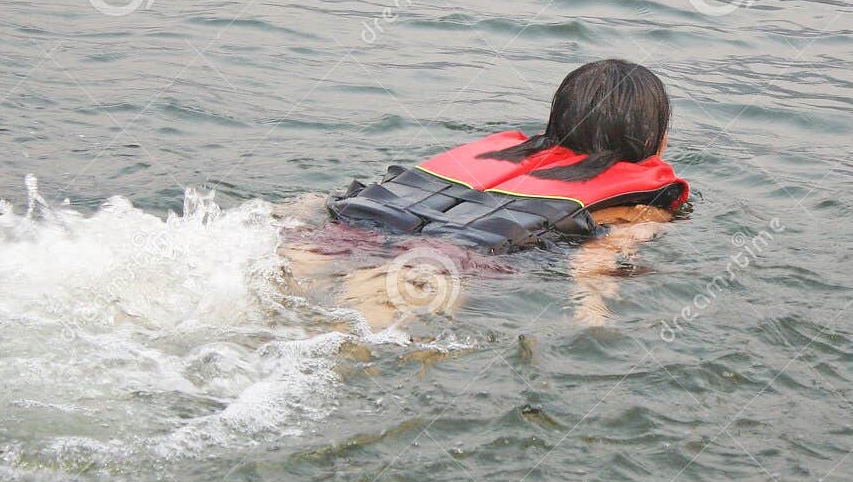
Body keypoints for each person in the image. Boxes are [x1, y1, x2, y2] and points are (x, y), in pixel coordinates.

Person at [279, 59, 689, 328]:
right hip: (444, 263)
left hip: (349, 228)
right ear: (656, 139)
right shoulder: (639, 208)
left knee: (275, 299)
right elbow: (597, 260)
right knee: (340, 339)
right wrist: (593, 311)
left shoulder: (502, 153)